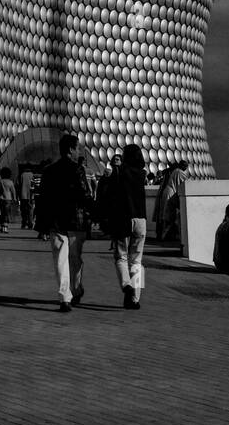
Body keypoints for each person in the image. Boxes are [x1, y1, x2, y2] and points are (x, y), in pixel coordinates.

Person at [34, 133, 92, 313]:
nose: (79, 152)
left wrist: (42, 225)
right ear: (70, 150)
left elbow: (42, 199)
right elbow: (83, 195)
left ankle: (65, 298)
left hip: (56, 221)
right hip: (75, 221)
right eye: (78, 148)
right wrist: (94, 213)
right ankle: (75, 290)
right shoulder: (77, 170)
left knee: (60, 260)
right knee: (75, 260)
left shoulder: (49, 171)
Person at [100, 143, 148, 310]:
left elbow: (110, 193)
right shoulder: (142, 174)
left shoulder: (121, 172)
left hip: (124, 219)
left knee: (121, 256)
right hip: (141, 220)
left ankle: (127, 285)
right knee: (137, 261)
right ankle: (134, 299)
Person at [158, 160, 189, 243]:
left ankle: (165, 235)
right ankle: (165, 236)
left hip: (168, 191)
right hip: (171, 193)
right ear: (182, 166)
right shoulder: (180, 172)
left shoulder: (175, 171)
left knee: (167, 214)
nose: (186, 168)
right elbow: (187, 182)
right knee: (169, 215)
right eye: (185, 166)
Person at [0, 167, 17, 233]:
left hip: (0, 199)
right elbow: (13, 191)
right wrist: (14, 198)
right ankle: (5, 227)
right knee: (6, 213)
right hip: (8, 199)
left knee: (2, 213)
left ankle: (2, 226)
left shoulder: (0, 181)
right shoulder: (10, 182)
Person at [18, 164, 34, 231]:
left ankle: (24, 223)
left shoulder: (22, 175)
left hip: (23, 195)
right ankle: (30, 223)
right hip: (30, 195)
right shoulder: (32, 175)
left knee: (23, 210)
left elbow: (18, 184)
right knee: (30, 209)